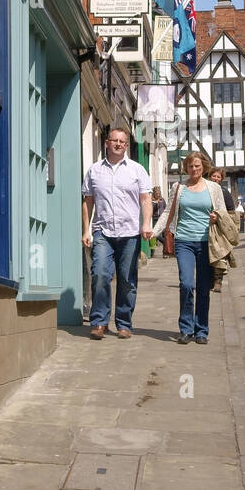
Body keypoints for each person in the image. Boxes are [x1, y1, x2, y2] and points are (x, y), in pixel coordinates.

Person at [81, 127, 153, 340]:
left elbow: (146, 199)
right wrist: (86, 230)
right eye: (115, 141)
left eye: (122, 141)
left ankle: (124, 323)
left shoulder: (137, 170)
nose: (119, 144)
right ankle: (99, 322)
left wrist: (146, 223)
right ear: (107, 143)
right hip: (103, 231)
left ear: (126, 145)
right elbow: (88, 201)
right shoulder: (94, 170)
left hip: (130, 232)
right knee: (100, 274)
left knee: (127, 279)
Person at [153, 152, 232, 344]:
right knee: (187, 284)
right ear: (185, 168)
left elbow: (223, 212)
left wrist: (217, 217)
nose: (194, 169)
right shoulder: (179, 187)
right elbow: (167, 211)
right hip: (184, 241)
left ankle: (202, 330)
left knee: (204, 287)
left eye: (197, 166)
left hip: (207, 243)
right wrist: (154, 232)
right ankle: (186, 329)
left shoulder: (214, 188)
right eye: (190, 166)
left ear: (203, 167)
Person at [208, 166, 237, 291]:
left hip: (219, 228)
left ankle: (218, 281)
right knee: (208, 255)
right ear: (209, 177)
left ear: (221, 179)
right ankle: (208, 282)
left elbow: (231, 212)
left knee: (220, 254)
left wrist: (220, 218)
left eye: (218, 177)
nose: (216, 178)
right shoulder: (205, 190)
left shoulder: (224, 192)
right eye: (214, 176)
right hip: (205, 226)